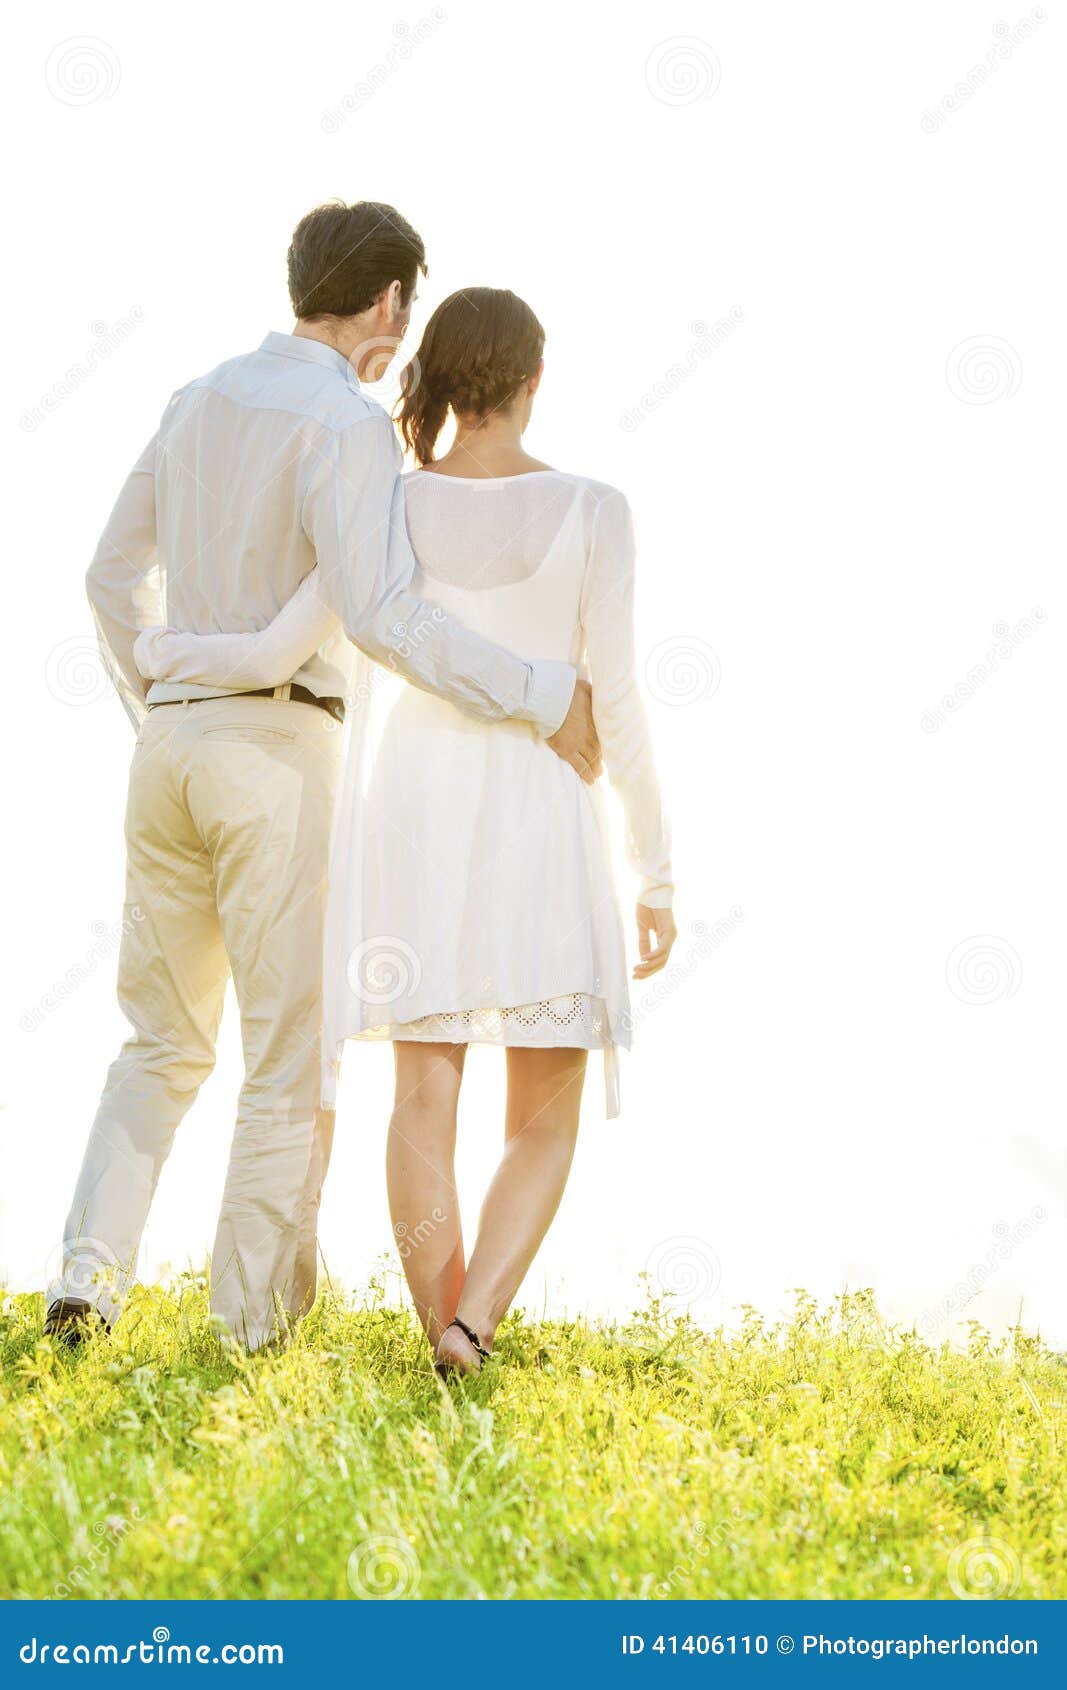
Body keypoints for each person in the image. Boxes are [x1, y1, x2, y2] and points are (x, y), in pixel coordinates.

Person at [47, 207, 599, 1352]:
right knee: (286, 1055)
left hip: (168, 747)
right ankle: (246, 1327)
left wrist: (157, 702)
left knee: (156, 1040)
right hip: (278, 753)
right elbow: (385, 612)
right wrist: (540, 692)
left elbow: (108, 574)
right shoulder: (345, 425)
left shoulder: (195, 396)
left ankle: (85, 1284)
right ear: (390, 305)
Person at [136, 287, 675, 1376]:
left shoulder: (389, 500)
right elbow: (612, 699)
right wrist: (651, 866)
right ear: (531, 382)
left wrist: (175, 665)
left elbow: (327, 627)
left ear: (439, 377)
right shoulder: (595, 508)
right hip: (538, 804)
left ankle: (442, 1325)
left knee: (421, 1092)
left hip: (416, 808)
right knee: (543, 1101)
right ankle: (471, 1324)